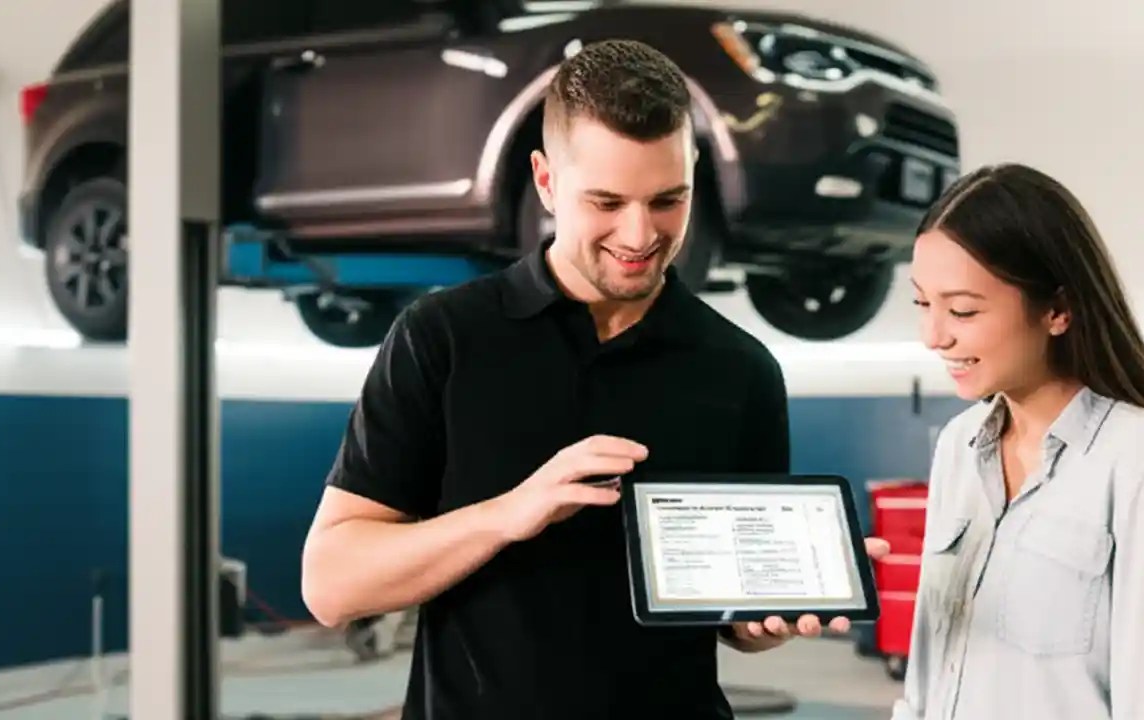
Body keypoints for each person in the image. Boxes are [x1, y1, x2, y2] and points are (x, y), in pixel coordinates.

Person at [300, 39, 886, 719]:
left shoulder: (740, 368)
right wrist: (508, 514)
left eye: (669, 200)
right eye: (605, 202)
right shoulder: (443, 338)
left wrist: (764, 622)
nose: (639, 235)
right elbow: (331, 584)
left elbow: (732, 620)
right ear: (546, 182)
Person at [894, 162, 1144, 720]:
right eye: (923, 304)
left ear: (1058, 310)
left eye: (963, 310)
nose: (934, 336)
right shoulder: (958, 445)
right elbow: (927, 677)